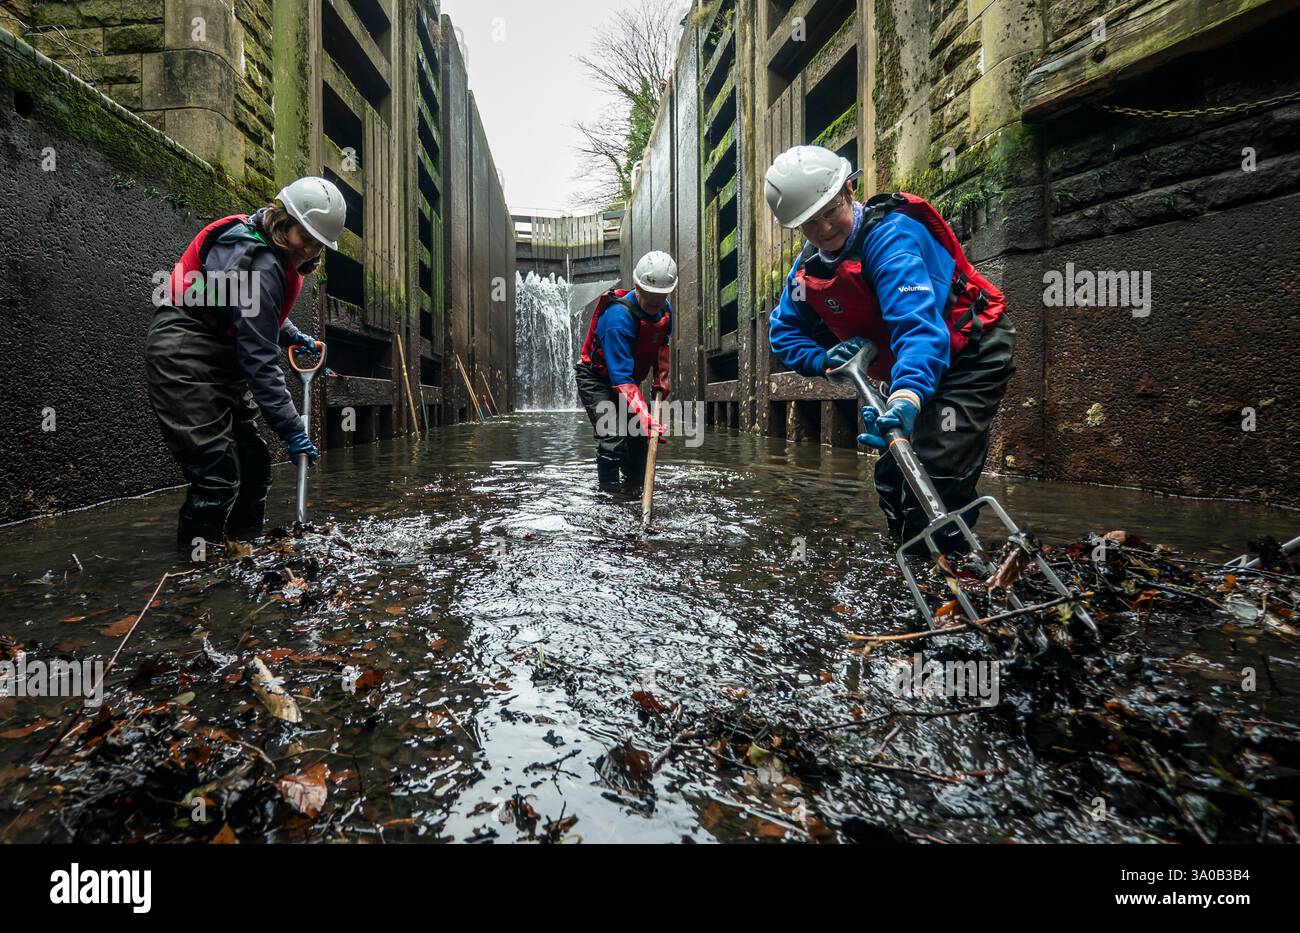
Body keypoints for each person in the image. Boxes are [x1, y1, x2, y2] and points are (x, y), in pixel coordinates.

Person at [763, 145, 1015, 552]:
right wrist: (823, 359)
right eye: (810, 223)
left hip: (970, 354)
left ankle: (945, 571)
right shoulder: (805, 272)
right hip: (907, 369)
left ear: (848, 190)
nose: (825, 228)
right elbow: (783, 332)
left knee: (938, 465)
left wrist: (907, 394)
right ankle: (907, 556)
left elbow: (918, 328)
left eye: (831, 211)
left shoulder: (892, 239)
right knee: (893, 475)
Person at [145, 176, 346, 553]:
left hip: (219, 357)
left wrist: (291, 334)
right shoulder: (255, 260)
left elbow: (248, 307)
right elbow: (259, 360)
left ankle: (244, 550)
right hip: (185, 355)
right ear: (285, 222)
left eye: (319, 244)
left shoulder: (263, 254)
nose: (310, 249)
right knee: (217, 474)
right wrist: (291, 429)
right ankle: (198, 571)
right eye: (307, 237)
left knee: (253, 466)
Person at [575, 250, 675, 491]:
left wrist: (661, 379)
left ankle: (634, 490)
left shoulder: (664, 310)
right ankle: (609, 498)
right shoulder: (617, 320)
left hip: (626, 383)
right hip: (597, 379)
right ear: (637, 287)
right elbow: (620, 379)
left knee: (639, 438)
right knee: (612, 437)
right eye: (649, 297)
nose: (654, 305)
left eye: (660, 298)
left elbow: (662, 343)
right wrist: (645, 416)